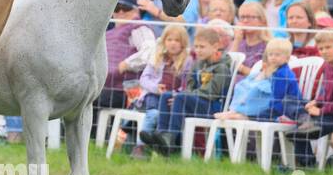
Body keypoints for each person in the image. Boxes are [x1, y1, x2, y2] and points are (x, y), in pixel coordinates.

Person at [151, 26, 232, 156]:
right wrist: (181, 95)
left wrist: (182, 97)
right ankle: (161, 135)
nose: (198, 50)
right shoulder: (198, 64)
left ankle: (170, 139)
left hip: (213, 106)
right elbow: (190, 86)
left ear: (216, 46)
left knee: (181, 98)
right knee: (166, 95)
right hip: (197, 102)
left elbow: (210, 93)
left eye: (202, 47)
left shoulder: (222, 67)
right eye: (196, 47)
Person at [288, 29, 333, 166]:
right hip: (327, 111)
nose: (324, 51)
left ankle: (307, 163)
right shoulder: (327, 65)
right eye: (321, 48)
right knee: (288, 100)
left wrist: (320, 111)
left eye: (328, 47)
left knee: (297, 133)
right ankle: (305, 119)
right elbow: (326, 93)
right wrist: (316, 101)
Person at [129, 23, 191, 155]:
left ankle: (154, 145)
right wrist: (155, 87)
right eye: (169, 40)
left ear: (183, 43)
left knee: (161, 115)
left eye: (177, 40)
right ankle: (140, 147)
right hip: (154, 95)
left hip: (172, 98)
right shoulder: (158, 58)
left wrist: (176, 94)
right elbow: (144, 79)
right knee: (153, 114)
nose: (173, 43)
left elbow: (187, 84)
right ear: (164, 41)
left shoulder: (187, 61)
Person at [93, 0, 155, 117]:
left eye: (125, 8)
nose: (120, 12)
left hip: (126, 90)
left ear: (135, 11)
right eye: (117, 8)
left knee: (89, 98)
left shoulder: (139, 28)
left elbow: (150, 51)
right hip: (105, 86)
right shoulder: (108, 32)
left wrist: (126, 64)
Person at [213, 38, 302, 125]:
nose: (273, 57)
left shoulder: (283, 74)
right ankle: (237, 112)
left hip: (284, 110)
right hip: (276, 106)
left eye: (277, 55)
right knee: (244, 86)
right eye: (270, 55)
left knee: (257, 92)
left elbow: (278, 98)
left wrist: (270, 111)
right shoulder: (276, 70)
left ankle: (245, 116)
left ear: (287, 58)